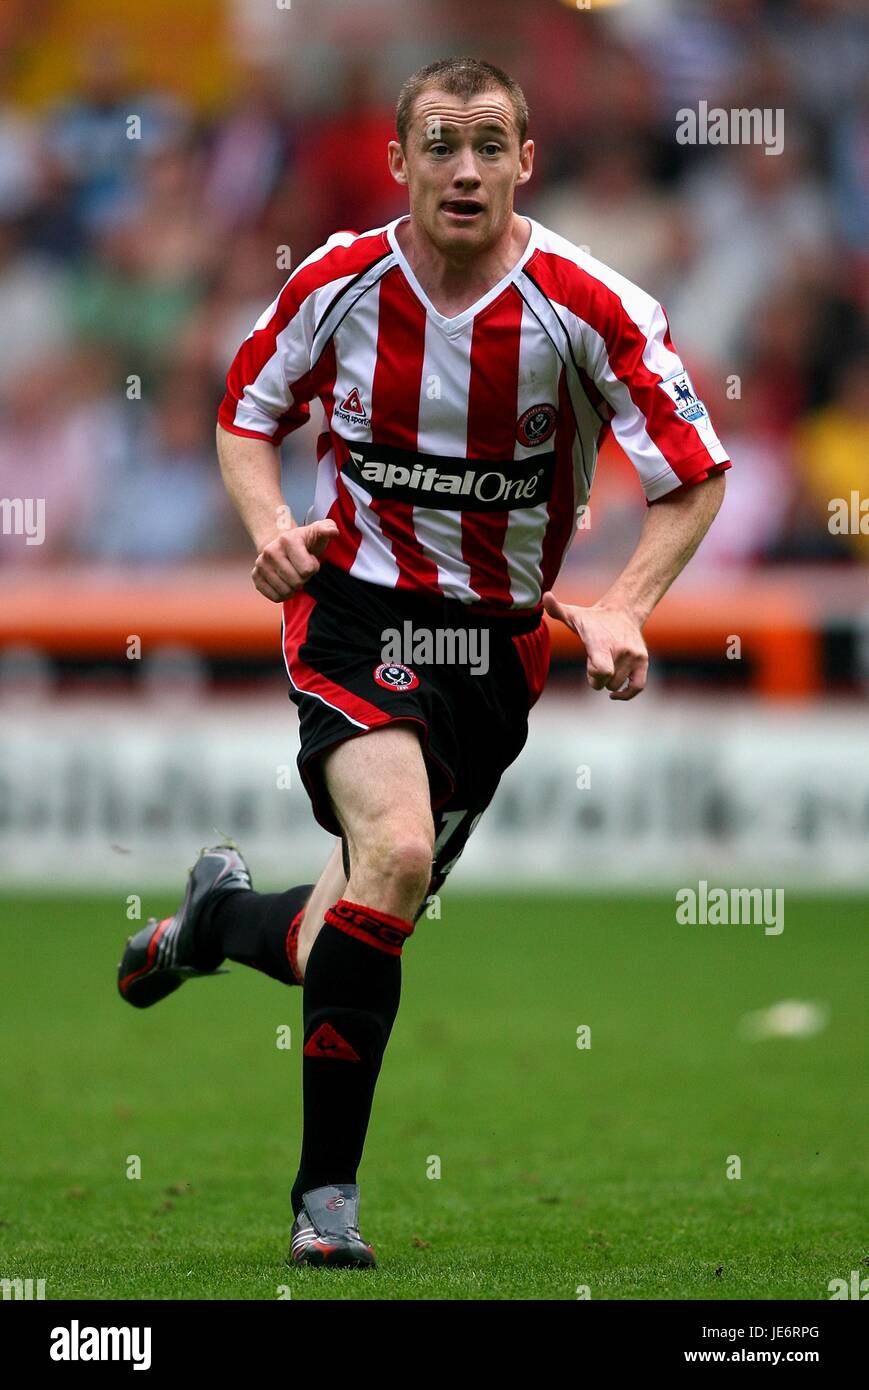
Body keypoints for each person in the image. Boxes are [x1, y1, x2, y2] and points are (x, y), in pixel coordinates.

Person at [117, 57, 729, 1269]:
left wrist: (621, 605)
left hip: (496, 654)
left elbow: (694, 468)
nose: (464, 169)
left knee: (352, 920)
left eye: (488, 144)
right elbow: (245, 411)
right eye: (439, 144)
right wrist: (267, 531)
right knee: (393, 853)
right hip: (354, 617)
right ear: (396, 161)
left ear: (524, 162)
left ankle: (212, 920)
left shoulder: (589, 306)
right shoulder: (338, 285)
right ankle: (324, 1206)